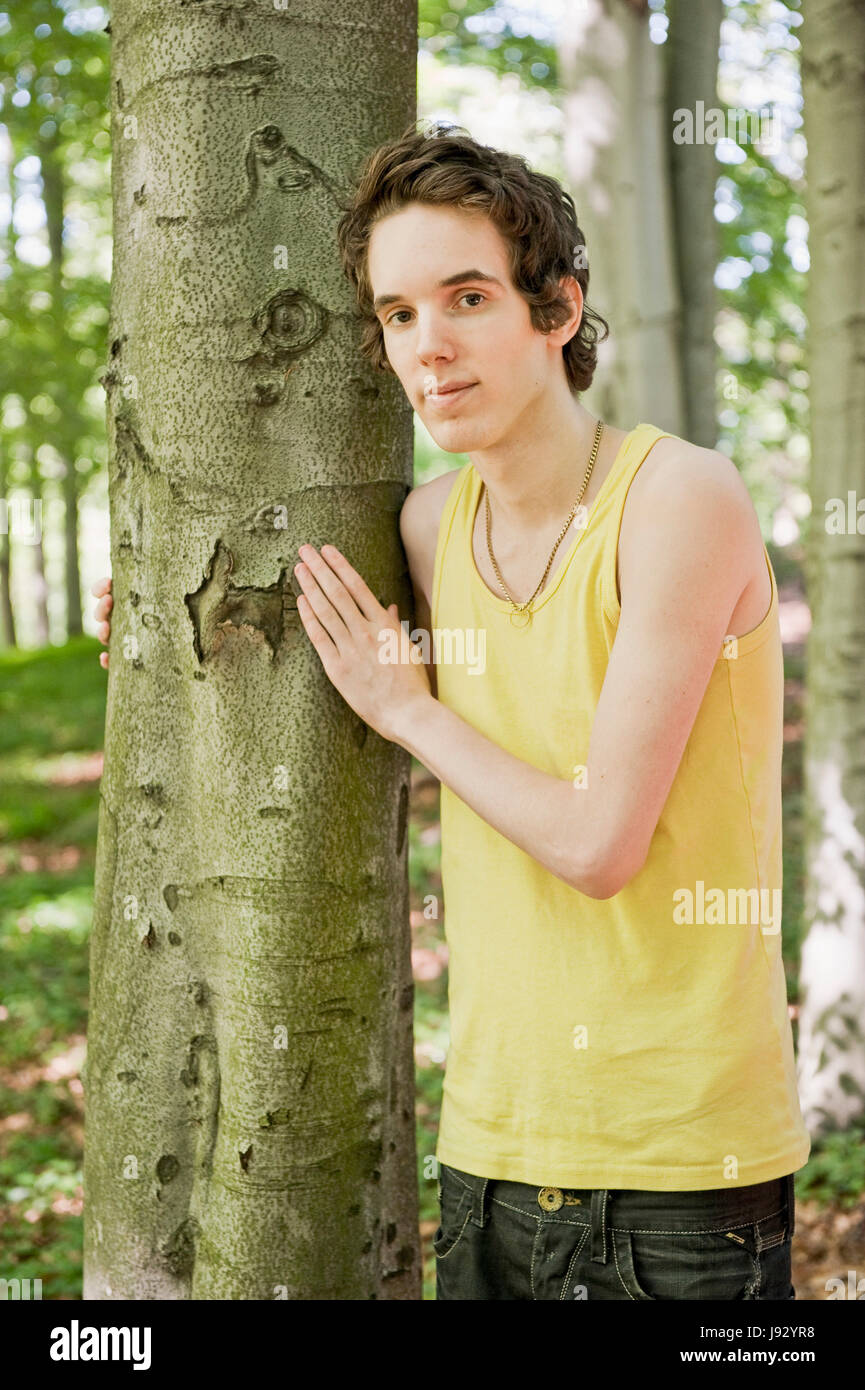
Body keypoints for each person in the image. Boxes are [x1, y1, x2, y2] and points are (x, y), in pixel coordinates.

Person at [91, 120, 810, 1300]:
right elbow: (295, 635)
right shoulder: (429, 527)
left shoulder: (678, 499)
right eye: (398, 313)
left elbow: (597, 842)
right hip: (486, 1149)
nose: (430, 346)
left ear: (558, 312)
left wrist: (407, 710)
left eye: (467, 297)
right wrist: (165, 625)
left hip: (684, 1168)